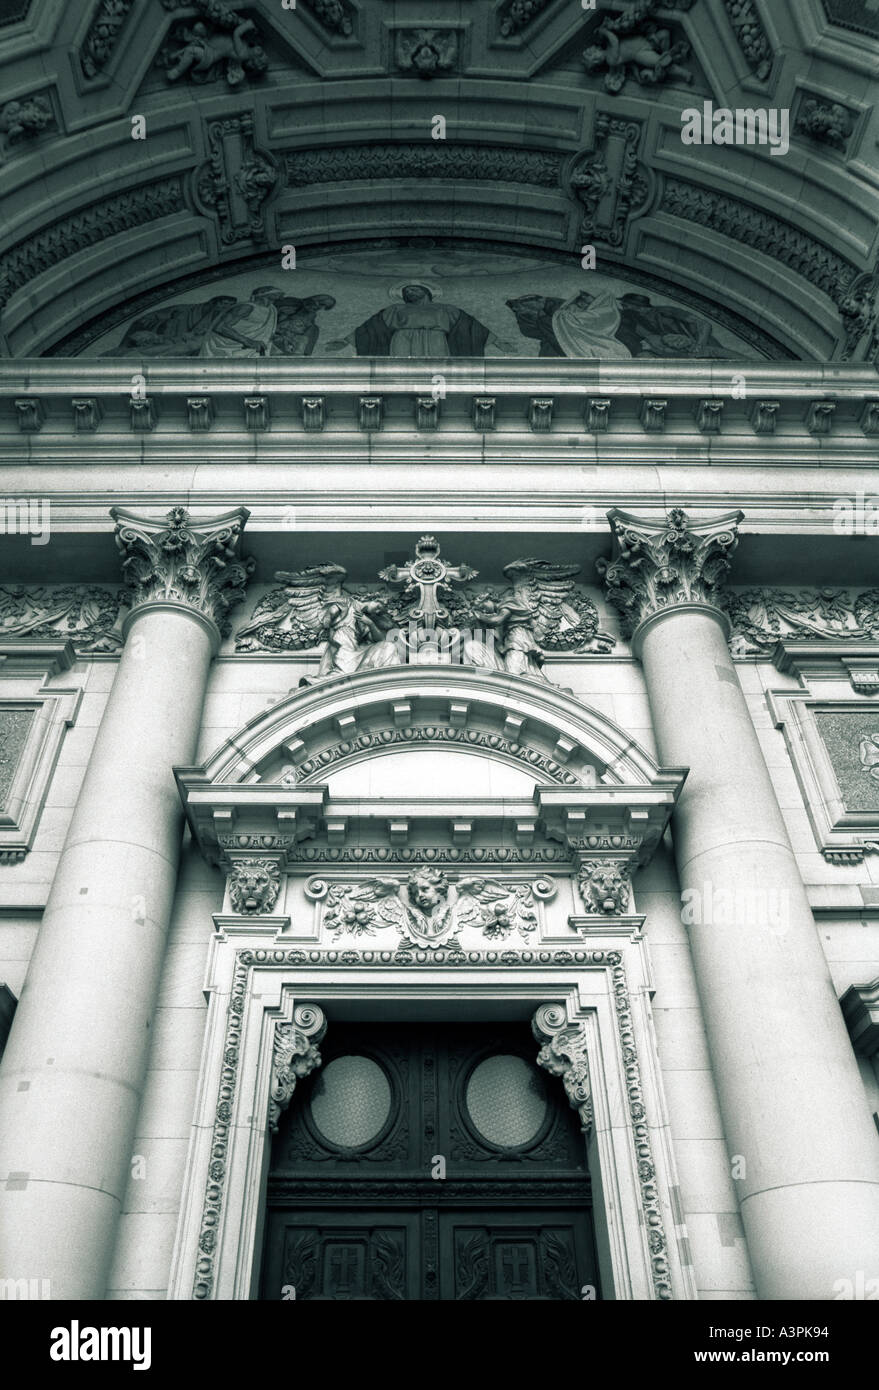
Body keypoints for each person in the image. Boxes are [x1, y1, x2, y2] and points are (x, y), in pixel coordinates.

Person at [326, 284, 513, 357]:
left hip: (435, 339)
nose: (410, 292)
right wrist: (345, 341)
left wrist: (497, 341)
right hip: (402, 338)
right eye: (407, 291)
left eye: (415, 290)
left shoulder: (446, 309)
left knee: (438, 367)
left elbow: (470, 326)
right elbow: (372, 327)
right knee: (400, 369)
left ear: (427, 293)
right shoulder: (395, 309)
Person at [199, 286, 281, 356]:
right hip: (225, 347)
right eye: (271, 298)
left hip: (253, 347)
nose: (272, 301)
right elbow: (221, 327)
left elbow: (260, 327)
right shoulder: (246, 307)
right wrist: (249, 341)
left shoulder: (271, 309)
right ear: (261, 296)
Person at [551, 290, 632, 359]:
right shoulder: (606, 308)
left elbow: (578, 320)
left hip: (601, 344)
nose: (583, 297)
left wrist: (562, 313)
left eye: (586, 295)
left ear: (598, 296)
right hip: (599, 342)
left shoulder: (607, 310)